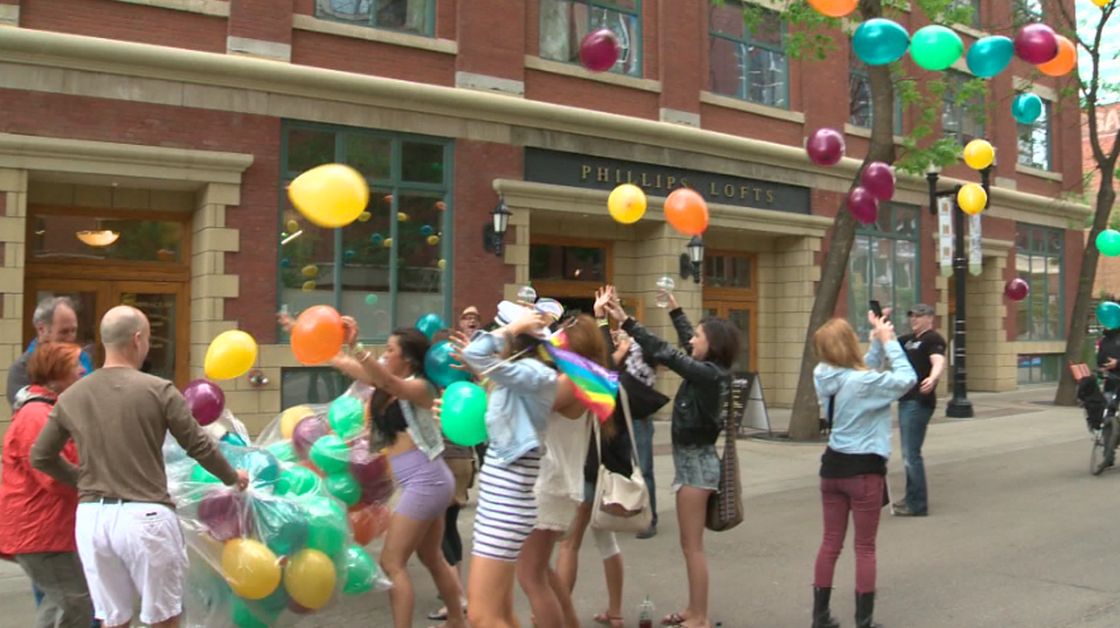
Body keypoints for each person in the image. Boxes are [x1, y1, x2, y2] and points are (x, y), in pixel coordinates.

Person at [30, 306, 248, 628]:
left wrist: (80, 479)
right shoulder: (158, 390)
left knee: (113, 618)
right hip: (145, 518)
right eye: (146, 338)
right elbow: (198, 444)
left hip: (92, 520)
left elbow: (41, 455)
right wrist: (233, 477)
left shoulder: (72, 396)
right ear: (137, 339)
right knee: (163, 618)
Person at [602, 291, 740, 628]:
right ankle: (693, 610)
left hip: (696, 467)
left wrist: (627, 322)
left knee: (692, 547)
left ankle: (700, 616)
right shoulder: (710, 370)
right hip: (694, 463)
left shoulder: (707, 375)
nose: (692, 339)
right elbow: (685, 346)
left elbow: (667, 353)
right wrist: (677, 311)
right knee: (688, 544)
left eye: (698, 336)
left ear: (713, 344)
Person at [328, 325, 467, 628]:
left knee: (392, 563)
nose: (385, 354)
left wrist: (358, 345)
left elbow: (390, 382)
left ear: (408, 359)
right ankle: (457, 619)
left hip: (426, 481)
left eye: (390, 350)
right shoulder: (384, 384)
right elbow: (359, 370)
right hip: (426, 482)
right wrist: (325, 345)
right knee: (431, 557)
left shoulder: (421, 387)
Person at [810, 314, 916, 628]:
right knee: (865, 547)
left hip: (833, 468)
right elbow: (907, 378)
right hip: (864, 471)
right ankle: (864, 622)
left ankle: (820, 617)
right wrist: (889, 342)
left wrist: (874, 347)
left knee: (830, 542)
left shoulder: (823, 374)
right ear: (847, 344)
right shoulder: (864, 383)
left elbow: (856, 374)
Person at [459, 307, 557, 628]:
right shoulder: (519, 376)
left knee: (481, 615)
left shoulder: (534, 373)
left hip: (507, 503)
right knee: (499, 613)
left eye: (499, 333)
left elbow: (476, 352)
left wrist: (513, 326)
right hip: (500, 500)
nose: (494, 341)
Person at [518, 314, 608, 628]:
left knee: (530, 575)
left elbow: (533, 406)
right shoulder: (580, 378)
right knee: (542, 570)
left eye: (561, 335)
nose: (554, 339)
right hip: (556, 482)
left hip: (551, 483)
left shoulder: (572, 381)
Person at [0, 342, 95, 628]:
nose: (82, 370)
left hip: (47, 531)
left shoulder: (48, 410)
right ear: (54, 374)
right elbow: (52, 475)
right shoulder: (37, 415)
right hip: (41, 533)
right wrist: (95, 481)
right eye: (74, 365)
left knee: (61, 603)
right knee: (75, 603)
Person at [892, 303, 946, 518]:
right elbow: (889, 344)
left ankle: (918, 504)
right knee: (908, 453)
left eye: (918, 316)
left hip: (919, 402)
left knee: (911, 454)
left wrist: (933, 378)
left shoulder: (932, 339)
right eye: (911, 315)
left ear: (930, 318)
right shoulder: (907, 340)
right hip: (906, 400)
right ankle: (911, 497)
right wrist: (881, 320)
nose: (913, 319)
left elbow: (938, 361)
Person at [7, 296, 79, 408]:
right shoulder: (22, 368)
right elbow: (28, 410)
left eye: (73, 331)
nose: (70, 338)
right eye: (64, 332)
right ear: (42, 329)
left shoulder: (83, 359)